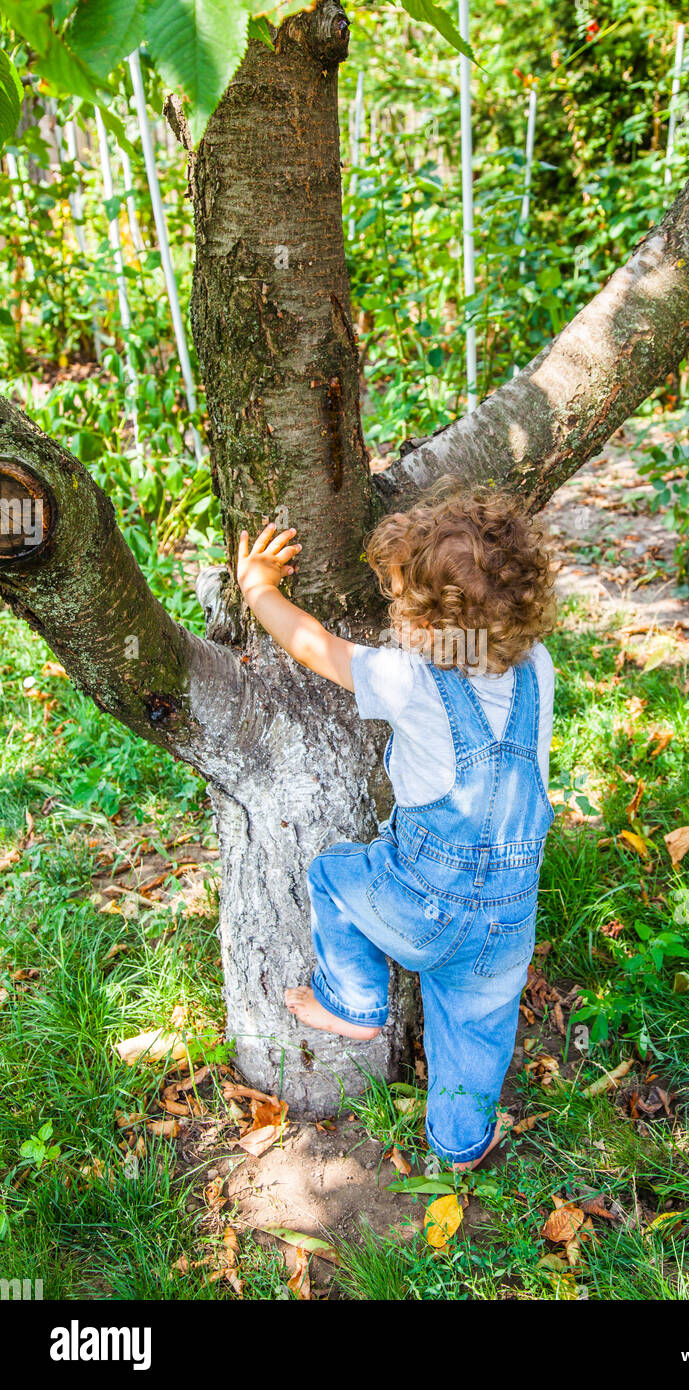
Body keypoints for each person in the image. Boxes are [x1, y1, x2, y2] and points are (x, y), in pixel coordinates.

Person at [235, 483, 556, 1170]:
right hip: (506, 924)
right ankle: (462, 1143)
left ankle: (353, 1002)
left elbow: (313, 644)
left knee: (335, 874)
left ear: (431, 625)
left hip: (418, 904)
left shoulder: (410, 679)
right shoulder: (539, 672)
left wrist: (259, 589)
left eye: (401, 603)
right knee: (474, 1032)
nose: (394, 617)